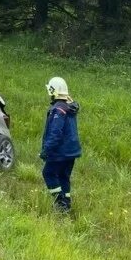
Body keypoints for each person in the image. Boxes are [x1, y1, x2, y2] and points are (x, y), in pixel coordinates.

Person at [40, 76, 82, 213]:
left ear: (53, 91)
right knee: (64, 176)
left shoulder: (58, 109)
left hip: (60, 151)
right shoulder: (70, 107)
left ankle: (60, 203)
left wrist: (46, 150)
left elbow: (55, 133)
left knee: (48, 173)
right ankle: (67, 203)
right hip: (72, 151)